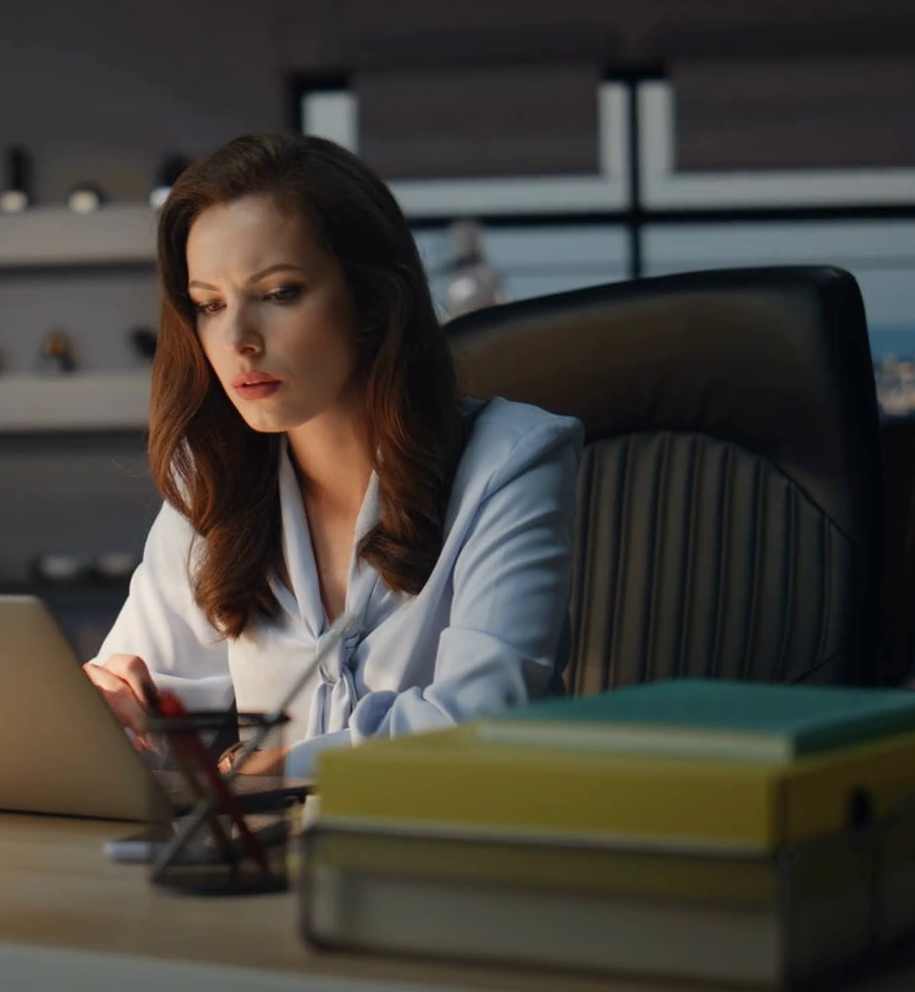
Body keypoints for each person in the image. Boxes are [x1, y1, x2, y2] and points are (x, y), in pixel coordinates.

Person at [83, 132, 582, 779]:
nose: (237, 339)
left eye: (279, 293)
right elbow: (141, 720)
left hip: (472, 861)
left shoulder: (512, 461)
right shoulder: (213, 481)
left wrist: (277, 767)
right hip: (281, 871)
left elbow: (479, 721)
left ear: (373, 300)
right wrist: (108, 712)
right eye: (209, 305)